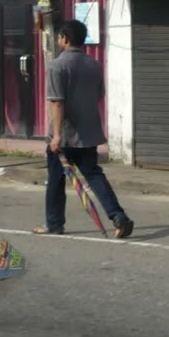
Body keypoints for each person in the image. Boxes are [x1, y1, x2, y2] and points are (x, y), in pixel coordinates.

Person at [35, 20, 134, 238]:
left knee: (56, 179)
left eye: (60, 36)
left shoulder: (57, 65)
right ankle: (118, 216)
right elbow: (99, 94)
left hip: (64, 135)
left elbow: (57, 102)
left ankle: (54, 223)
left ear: (64, 38)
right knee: (94, 175)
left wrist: (57, 135)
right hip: (88, 132)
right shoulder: (93, 64)